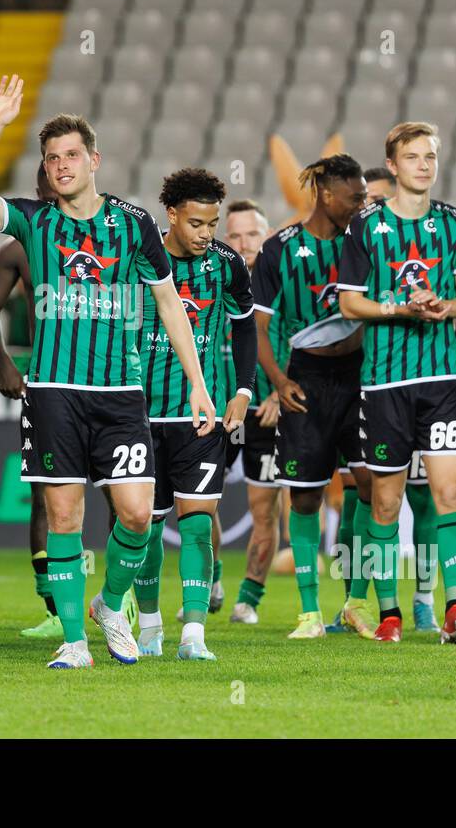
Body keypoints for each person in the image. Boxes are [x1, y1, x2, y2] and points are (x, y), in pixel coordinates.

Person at [0, 76, 218, 670]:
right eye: (52, 158)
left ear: (94, 160)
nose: (62, 165)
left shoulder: (134, 224)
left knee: (137, 515)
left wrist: (198, 384)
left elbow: (170, 304)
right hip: (53, 394)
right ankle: (74, 641)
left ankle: (109, 604)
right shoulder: (33, 220)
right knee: (64, 516)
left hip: (120, 393)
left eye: (72, 155)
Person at [336, 121, 456, 646]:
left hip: (440, 380)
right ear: (392, 165)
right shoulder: (365, 225)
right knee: (385, 503)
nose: (424, 165)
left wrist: (443, 307)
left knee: (448, 494)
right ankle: (390, 615)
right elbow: (348, 302)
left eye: (430, 156)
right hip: (384, 384)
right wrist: (400, 307)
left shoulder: (455, 223)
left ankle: (455, 608)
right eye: (413, 157)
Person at [130, 168, 255, 660]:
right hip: (140, 413)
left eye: (213, 223)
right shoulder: (139, 258)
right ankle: (150, 627)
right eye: (196, 223)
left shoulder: (227, 264)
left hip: (201, 414)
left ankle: (195, 635)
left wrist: (242, 390)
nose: (206, 234)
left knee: (199, 523)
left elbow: (245, 326)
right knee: (146, 526)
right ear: (172, 215)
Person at [252, 154, 371, 640]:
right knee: (304, 496)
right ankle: (309, 613)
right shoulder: (279, 249)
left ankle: (356, 601)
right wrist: (279, 382)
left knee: (370, 486)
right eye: (355, 197)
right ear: (326, 194)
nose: (361, 204)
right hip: (307, 378)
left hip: (361, 374)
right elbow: (257, 328)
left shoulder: (365, 240)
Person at [0, 161, 65, 639]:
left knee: (119, 494)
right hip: (46, 383)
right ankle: (54, 606)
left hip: (103, 382)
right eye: (46, 191)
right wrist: (5, 364)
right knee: (43, 493)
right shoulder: (19, 248)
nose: (54, 199)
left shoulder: (109, 240)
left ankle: (123, 598)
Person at [357, 162, 439, 631]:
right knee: (368, 497)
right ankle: (363, 600)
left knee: (424, 500)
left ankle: (425, 598)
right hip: (370, 385)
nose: (371, 207)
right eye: (366, 200)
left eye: (378, 199)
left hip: (425, 383)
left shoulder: (434, 236)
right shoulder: (358, 242)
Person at [222, 199, 291, 625]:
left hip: (265, 413)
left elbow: (306, 339)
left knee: (264, 510)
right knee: (197, 503)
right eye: (234, 235)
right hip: (217, 412)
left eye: (252, 234)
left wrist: (281, 394)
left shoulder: (285, 282)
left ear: (266, 236)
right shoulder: (212, 278)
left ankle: (248, 599)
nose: (243, 242)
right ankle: (208, 580)